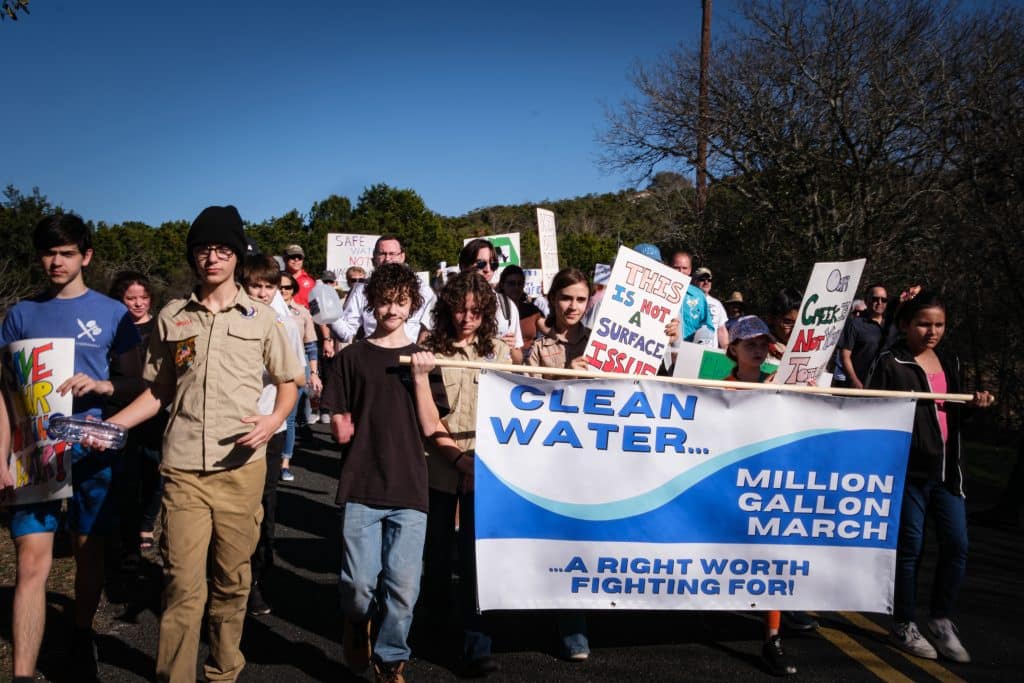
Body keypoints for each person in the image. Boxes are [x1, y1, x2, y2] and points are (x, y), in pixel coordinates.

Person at [95, 205, 300, 682]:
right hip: (184, 469)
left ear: (236, 254)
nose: (212, 257)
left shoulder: (261, 318)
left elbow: (290, 382)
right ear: (193, 256)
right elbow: (158, 391)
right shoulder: (172, 317)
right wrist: (116, 427)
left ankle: (224, 669)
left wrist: (273, 420)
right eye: (203, 249)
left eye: (222, 249)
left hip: (240, 469)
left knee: (232, 581)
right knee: (182, 584)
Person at [0, 214, 141, 681]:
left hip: (92, 451)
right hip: (34, 455)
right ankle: (22, 674)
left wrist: (101, 387)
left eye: (65, 253)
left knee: (88, 555)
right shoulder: (20, 314)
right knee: (30, 564)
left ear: (86, 256)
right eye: (48, 253)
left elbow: (136, 383)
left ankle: (81, 633)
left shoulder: (113, 313)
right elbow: (6, 394)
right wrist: (1, 457)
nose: (55, 262)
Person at [319, 263, 450, 683]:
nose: (392, 309)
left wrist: (420, 377)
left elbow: (432, 425)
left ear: (412, 304)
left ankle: (391, 661)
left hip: (411, 486)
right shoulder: (350, 357)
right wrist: (340, 419)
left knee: (404, 589)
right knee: (358, 586)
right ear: (371, 302)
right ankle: (357, 623)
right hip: (361, 484)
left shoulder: (423, 358)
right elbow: (337, 411)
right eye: (385, 300)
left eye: (401, 302)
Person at [867, 291, 994, 663]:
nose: (932, 331)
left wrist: (974, 407)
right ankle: (904, 623)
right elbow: (872, 416)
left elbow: (951, 418)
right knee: (911, 549)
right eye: (924, 323)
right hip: (908, 472)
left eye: (939, 324)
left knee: (957, 545)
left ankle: (940, 619)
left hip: (947, 472)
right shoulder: (890, 362)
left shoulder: (950, 360)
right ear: (906, 325)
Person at [421, 271, 512, 677]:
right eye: (459, 309)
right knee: (437, 557)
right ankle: (433, 632)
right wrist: (458, 461)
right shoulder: (428, 351)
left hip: (488, 473)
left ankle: (478, 647)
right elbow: (429, 416)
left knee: (480, 563)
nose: (467, 318)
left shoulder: (499, 351)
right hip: (440, 468)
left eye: (476, 311)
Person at [721, 315, 798, 676]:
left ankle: (772, 636)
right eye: (748, 342)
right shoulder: (720, 388)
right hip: (729, 486)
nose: (757, 348)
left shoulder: (785, 384)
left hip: (769, 486)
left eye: (762, 342)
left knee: (773, 556)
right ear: (733, 348)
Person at [525, 267, 593, 661]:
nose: (573, 306)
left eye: (581, 299)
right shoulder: (540, 345)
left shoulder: (605, 342)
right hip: (556, 455)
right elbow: (527, 395)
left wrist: (666, 340)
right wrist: (565, 375)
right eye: (566, 297)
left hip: (602, 456)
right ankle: (572, 627)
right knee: (567, 539)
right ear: (553, 299)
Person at [241, 255, 308, 616]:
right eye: (256, 286)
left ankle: (256, 579)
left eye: (270, 287)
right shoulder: (228, 322)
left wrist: (274, 366)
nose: (263, 293)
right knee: (235, 509)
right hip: (233, 429)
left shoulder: (285, 324)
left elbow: (297, 376)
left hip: (272, 426)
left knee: (265, 507)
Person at [108, 271, 167, 568]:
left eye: (143, 298)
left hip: (157, 413)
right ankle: (130, 540)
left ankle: (147, 522)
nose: (138, 303)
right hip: (120, 412)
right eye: (130, 298)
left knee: (155, 473)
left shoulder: (160, 327)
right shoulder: (112, 329)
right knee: (127, 478)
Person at [328, 235, 436, 345]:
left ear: (402, 256)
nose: (388, 259)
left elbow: (428, 329)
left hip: (409, 358)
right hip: (372, 357)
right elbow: (346, 334)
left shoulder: (422, 290)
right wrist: (327, 312)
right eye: (382, 254)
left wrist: (419, 353)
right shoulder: (361, 290)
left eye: (392, 254)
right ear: (373, 259)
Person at [279, 270, 321, 480]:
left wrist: (313, 373)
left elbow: (311, 345)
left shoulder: (302, 312)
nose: (283, 290)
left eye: (287, 287)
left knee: (289, 416)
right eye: (279, 287)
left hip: (297, 367)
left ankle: (285, 461)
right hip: (269, 369)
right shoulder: (262, 311)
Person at [458, 238, 524, 363]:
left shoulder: (507, 305)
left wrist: (510, 348)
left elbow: (518, 359)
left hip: (496, 377)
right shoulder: (447, 302)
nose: (488, 269)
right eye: (481, 264)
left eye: (493, 264)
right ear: (464, 265)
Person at [838, 283, 891, 389]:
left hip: (886, 386)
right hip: (861, 386)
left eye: (883, 299)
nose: (879, 302)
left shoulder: (892, 325)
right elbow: (845, 355)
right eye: (875, 299)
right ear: (867, 300)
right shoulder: (854, 324)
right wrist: (854, 380)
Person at [664, 247, 715, 342]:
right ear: (669, 267)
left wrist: (703, 335)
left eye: (684, 268)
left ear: (690, 270)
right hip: (662, 349)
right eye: (676, 267)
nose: (681, 271)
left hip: (689, 352)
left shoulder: (699, 296)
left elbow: (709, 326)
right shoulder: (660, 291)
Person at [497, 264, 542, 361]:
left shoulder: (531, 310)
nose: (516, 287)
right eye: (511, 283)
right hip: (503, 360)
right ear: (502, 285)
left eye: (520, 283)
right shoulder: (493, 310)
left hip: (530, 363)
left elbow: (549, 330)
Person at [692, 266, 730, 348]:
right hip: (689, 351)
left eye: (709, 280)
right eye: (702, 279)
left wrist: (728, 353)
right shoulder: (686, 299)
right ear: (694, 281)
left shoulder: (717, 304)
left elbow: (721, 330)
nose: (706, 282)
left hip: (710, 355)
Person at [766, 288, 803, 360]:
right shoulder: (760, 351)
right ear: (771, 319)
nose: (794, 330)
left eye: (799, 323)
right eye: (788, 322)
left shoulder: (808, 350)